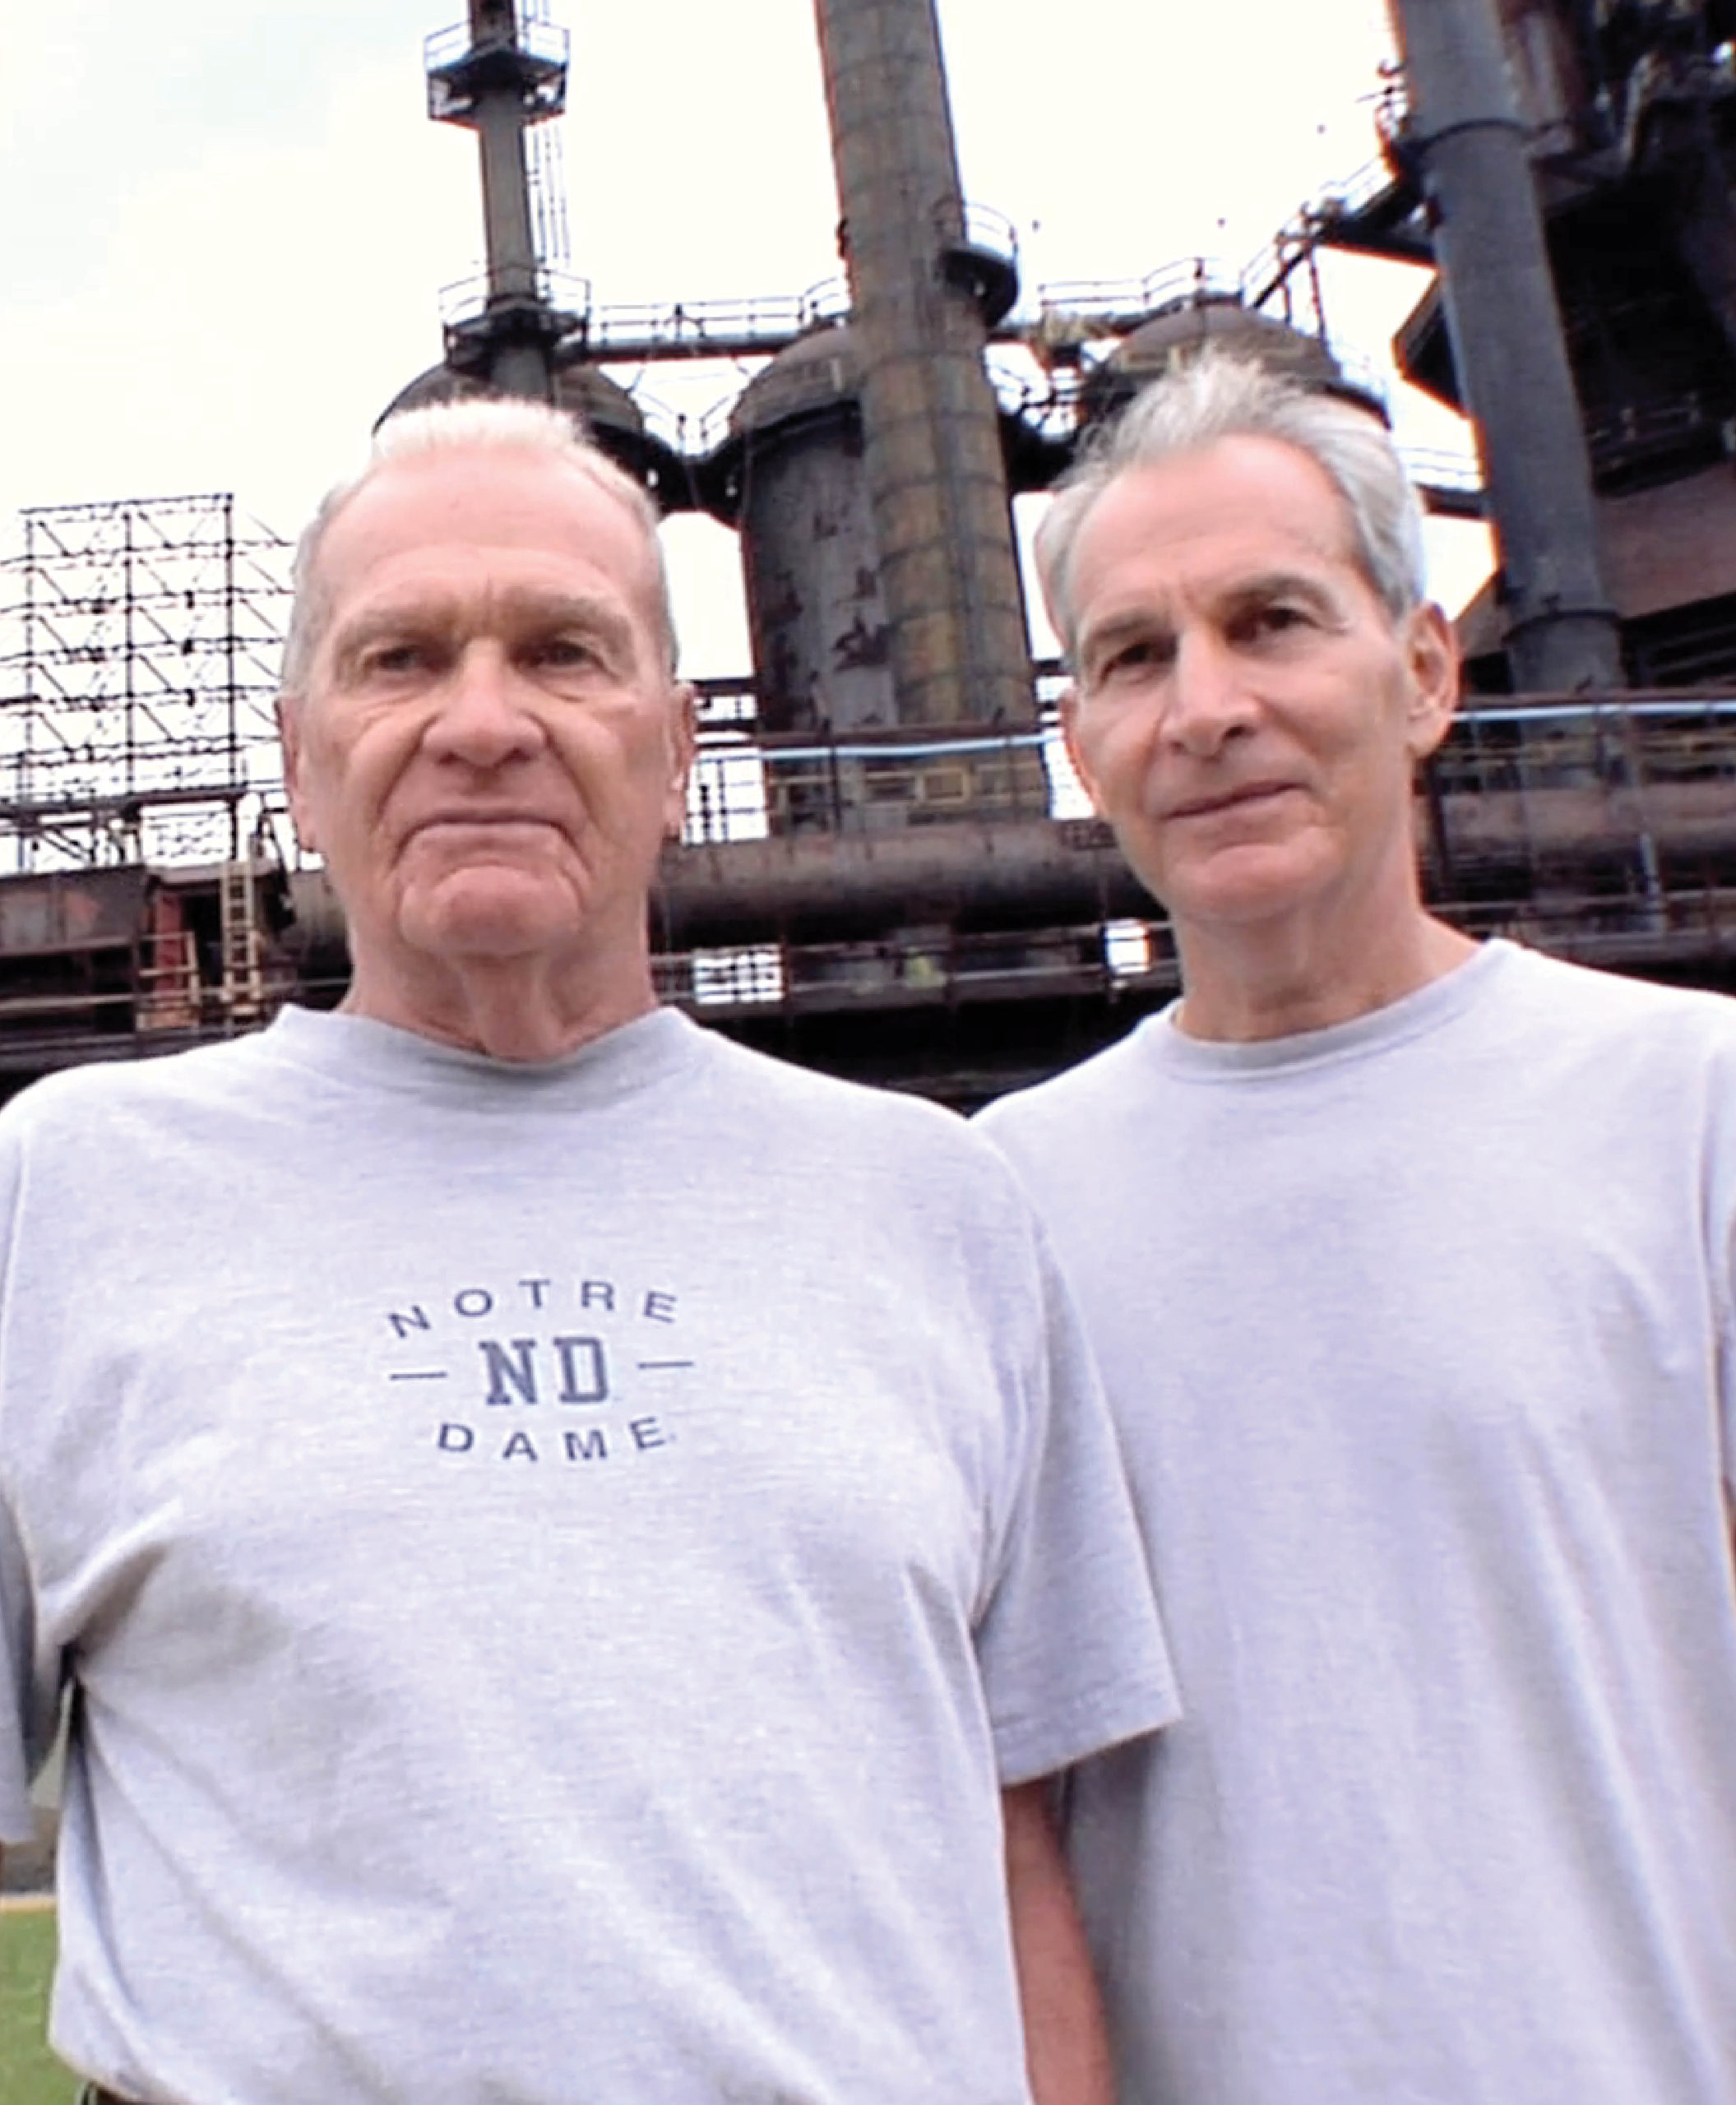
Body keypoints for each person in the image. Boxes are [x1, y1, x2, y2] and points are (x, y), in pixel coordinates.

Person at [0, 398, 1178, 2105]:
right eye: (401, 658)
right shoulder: (67, 1194)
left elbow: (1010, 1845)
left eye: (565, 650)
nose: (484, 723)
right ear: (297, 753)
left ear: (676, 737)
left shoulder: (938, 1206)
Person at [978, 350, 1736, 2104]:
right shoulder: (1004, 1206)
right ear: (1078, 743)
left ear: (1419, 672)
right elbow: (1003, 1821)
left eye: (1273, 621)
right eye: (1133, 655)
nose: (1208, 706)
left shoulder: (1685, 1112)